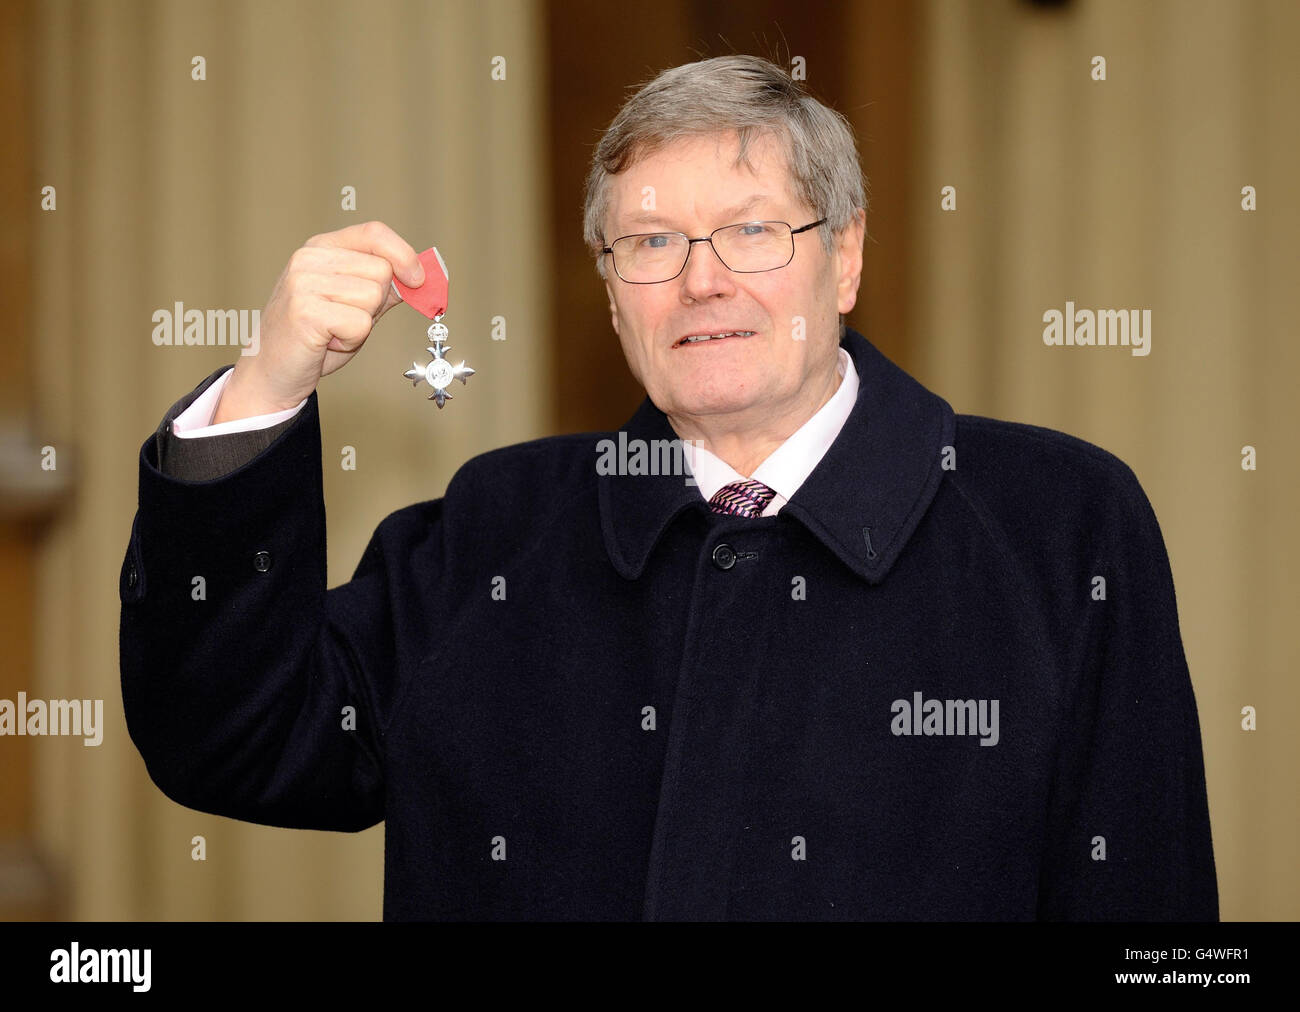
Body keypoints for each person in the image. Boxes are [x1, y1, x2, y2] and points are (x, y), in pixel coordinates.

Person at [119, 54, 1218, 921]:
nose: (701, 278)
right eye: (649, 241)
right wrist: (268, 381)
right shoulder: (496, 530)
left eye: (750, 229)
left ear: (843, 259)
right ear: (610, 293)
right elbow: (234, 740)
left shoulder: (1061, 524)